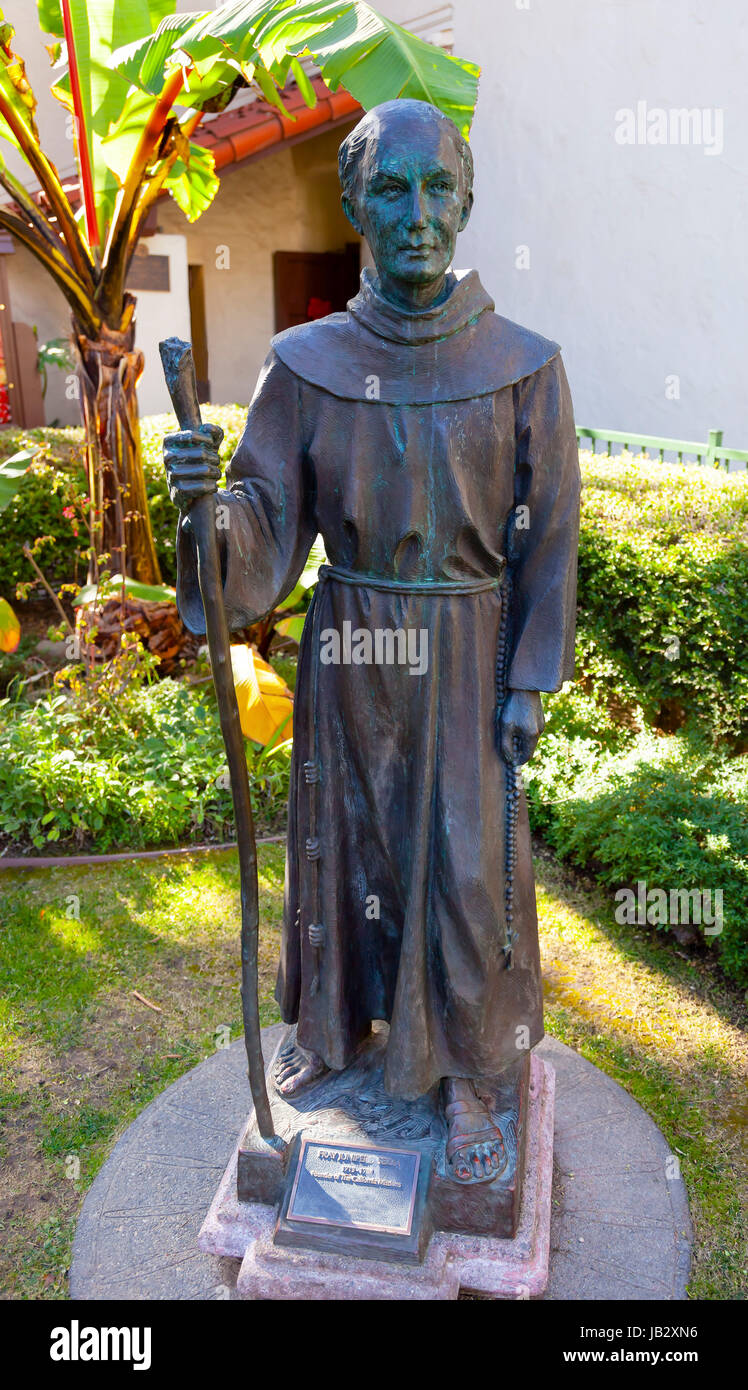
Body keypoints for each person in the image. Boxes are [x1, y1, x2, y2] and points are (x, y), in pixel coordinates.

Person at [164, 99, 580, 1186]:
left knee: (461, 868)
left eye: (437, 188)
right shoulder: (306, 364)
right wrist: (210, 518)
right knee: (346, 850)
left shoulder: (526, 364)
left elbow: (551, 548)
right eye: (389, 190)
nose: (415, 214)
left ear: (466, 201)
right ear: (351, 203)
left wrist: (529, 678)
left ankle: (471, 1071)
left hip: (467, 654)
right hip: (350, 647)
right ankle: (339, 1032)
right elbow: (260, 522)